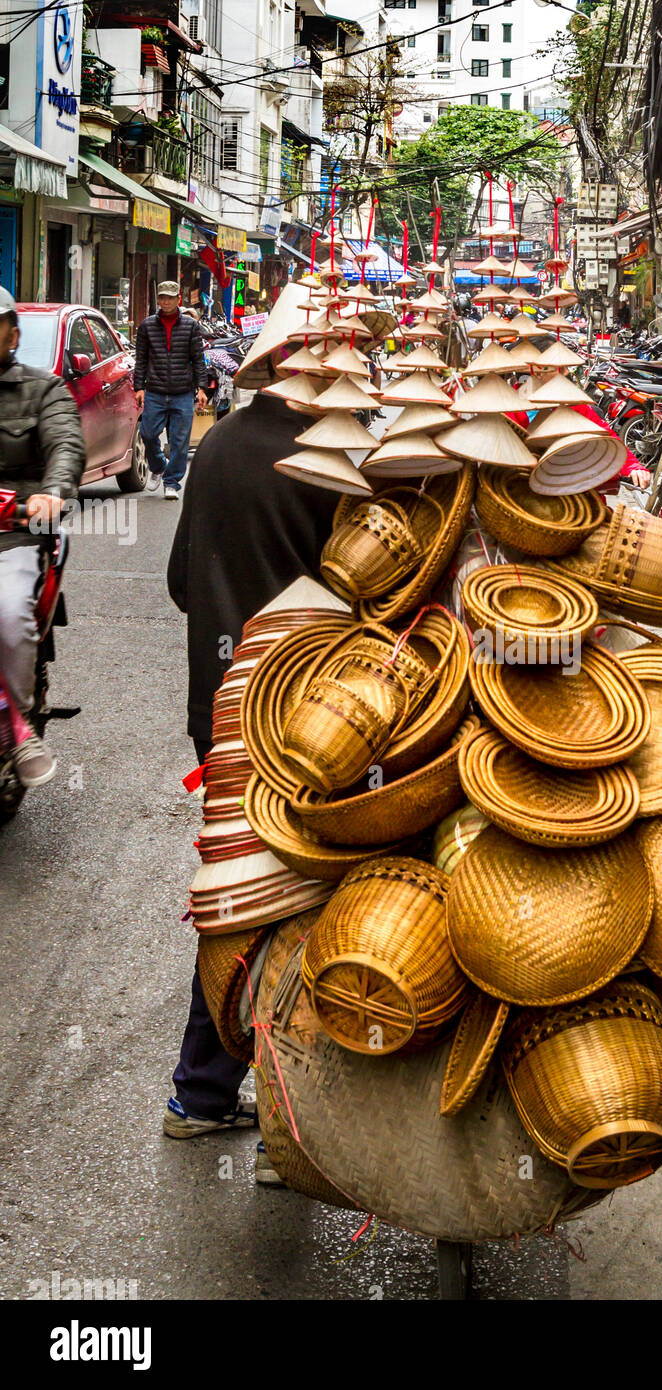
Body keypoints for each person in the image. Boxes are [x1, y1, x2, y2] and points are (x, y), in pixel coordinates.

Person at [163, 285, 341, 1176]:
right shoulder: (337, 458)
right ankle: (283, 1123)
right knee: (299, 903)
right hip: (312, 723)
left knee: (234, 893)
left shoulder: (219, 444)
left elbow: (181, 582)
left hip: (219, 710)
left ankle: (199, 1094)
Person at [0, 286, 85, 787]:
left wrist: (53, 491)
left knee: (8, 616)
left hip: (16, 536)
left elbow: (66, 444)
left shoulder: (44, 390)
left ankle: (16, 726)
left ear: (12, 334)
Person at [134, 281, 207, 500]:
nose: (165, 301)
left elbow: (198, 360)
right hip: (155, 391)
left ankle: (172, 482)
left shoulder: (191, 326)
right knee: (147, 433)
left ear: (178, 300)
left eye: (170, 298)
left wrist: (201, 388)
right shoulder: (147, 326)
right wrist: (139, 387)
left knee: (179, 440)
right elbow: (141, 359)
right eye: (162, 298)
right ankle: (157, 466)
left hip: (182, 392)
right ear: (158, 300)